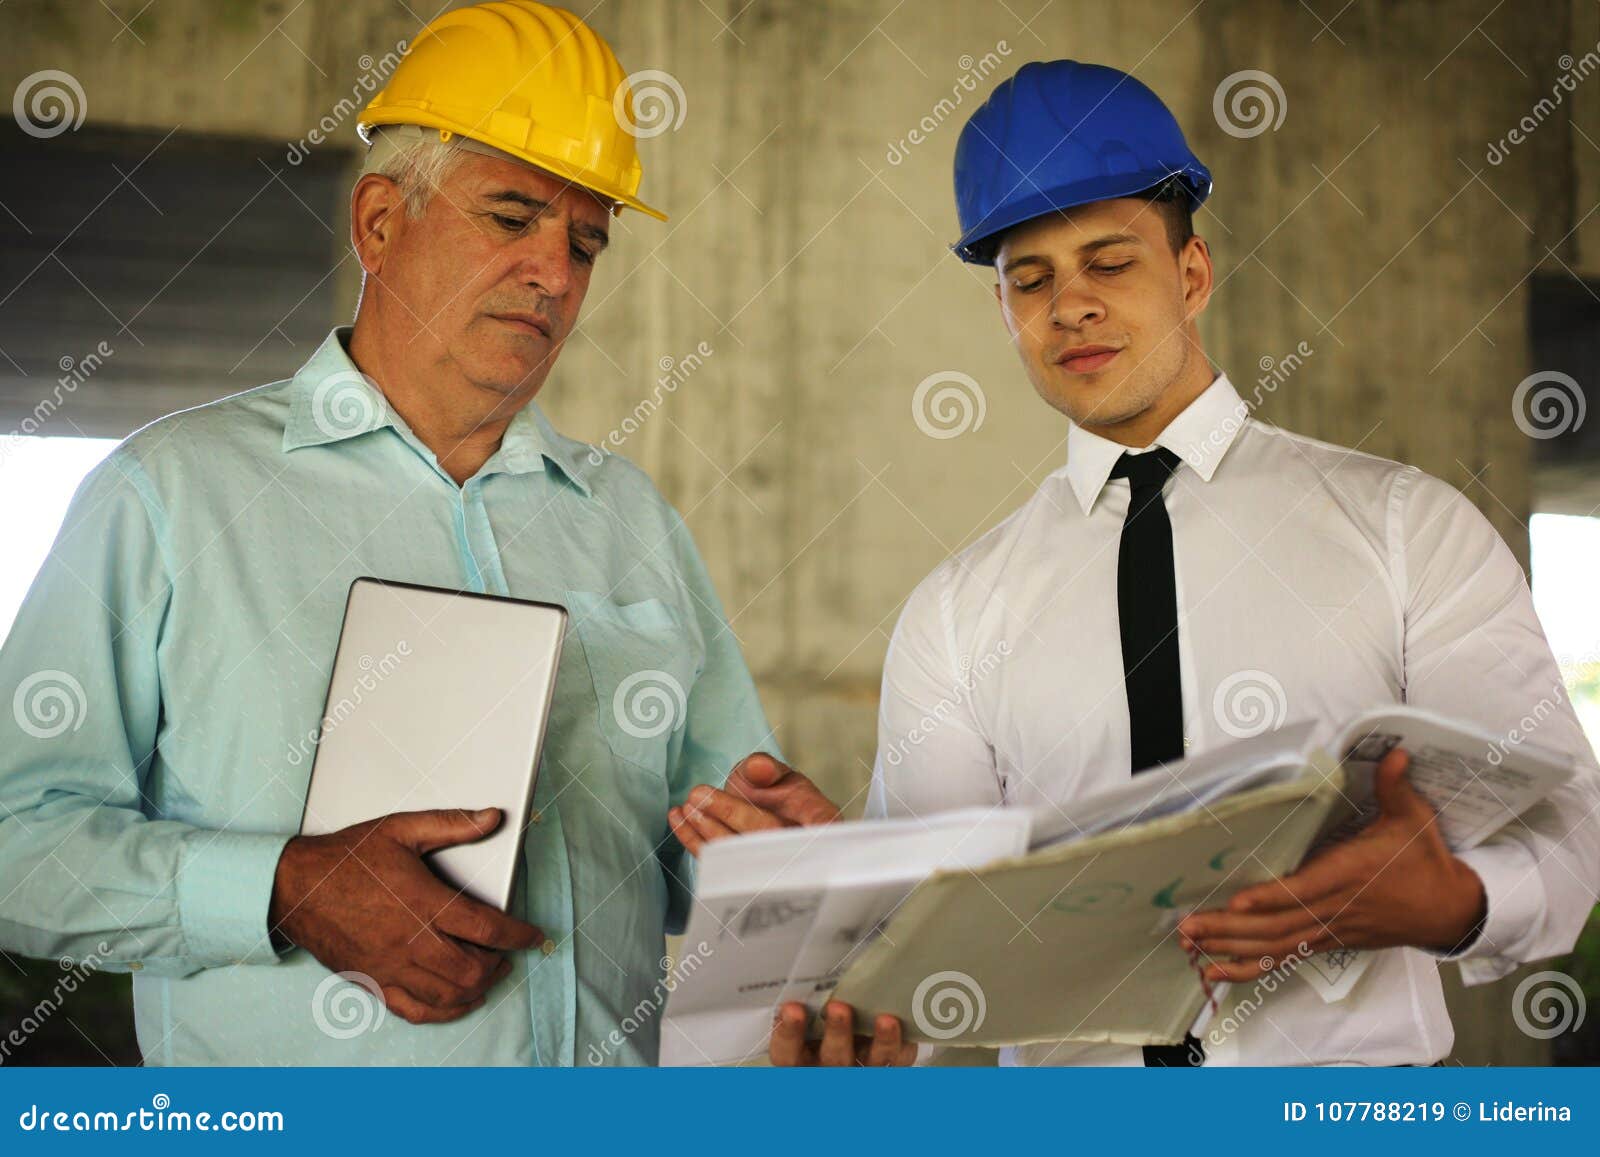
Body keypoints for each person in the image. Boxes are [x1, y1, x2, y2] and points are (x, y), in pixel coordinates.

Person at [674, 59, 1600, 1067]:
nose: (1069, 306)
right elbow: (931, 940)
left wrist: (1457, 900)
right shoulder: (954, 614)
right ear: (1003, 311)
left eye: (1108, 262)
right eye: (1030, 280)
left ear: (1191, 273)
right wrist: (838, 881)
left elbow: (1567, 829)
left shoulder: (1405, 529)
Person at [0, 1, 775, 1066]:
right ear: (377, 223)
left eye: (585, 241)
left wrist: (772, 854)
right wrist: (280, 886)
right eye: (511, 217)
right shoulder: (169, 494)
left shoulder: (629, 519)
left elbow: (707, 846)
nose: (554, 271)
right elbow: (15, 842)